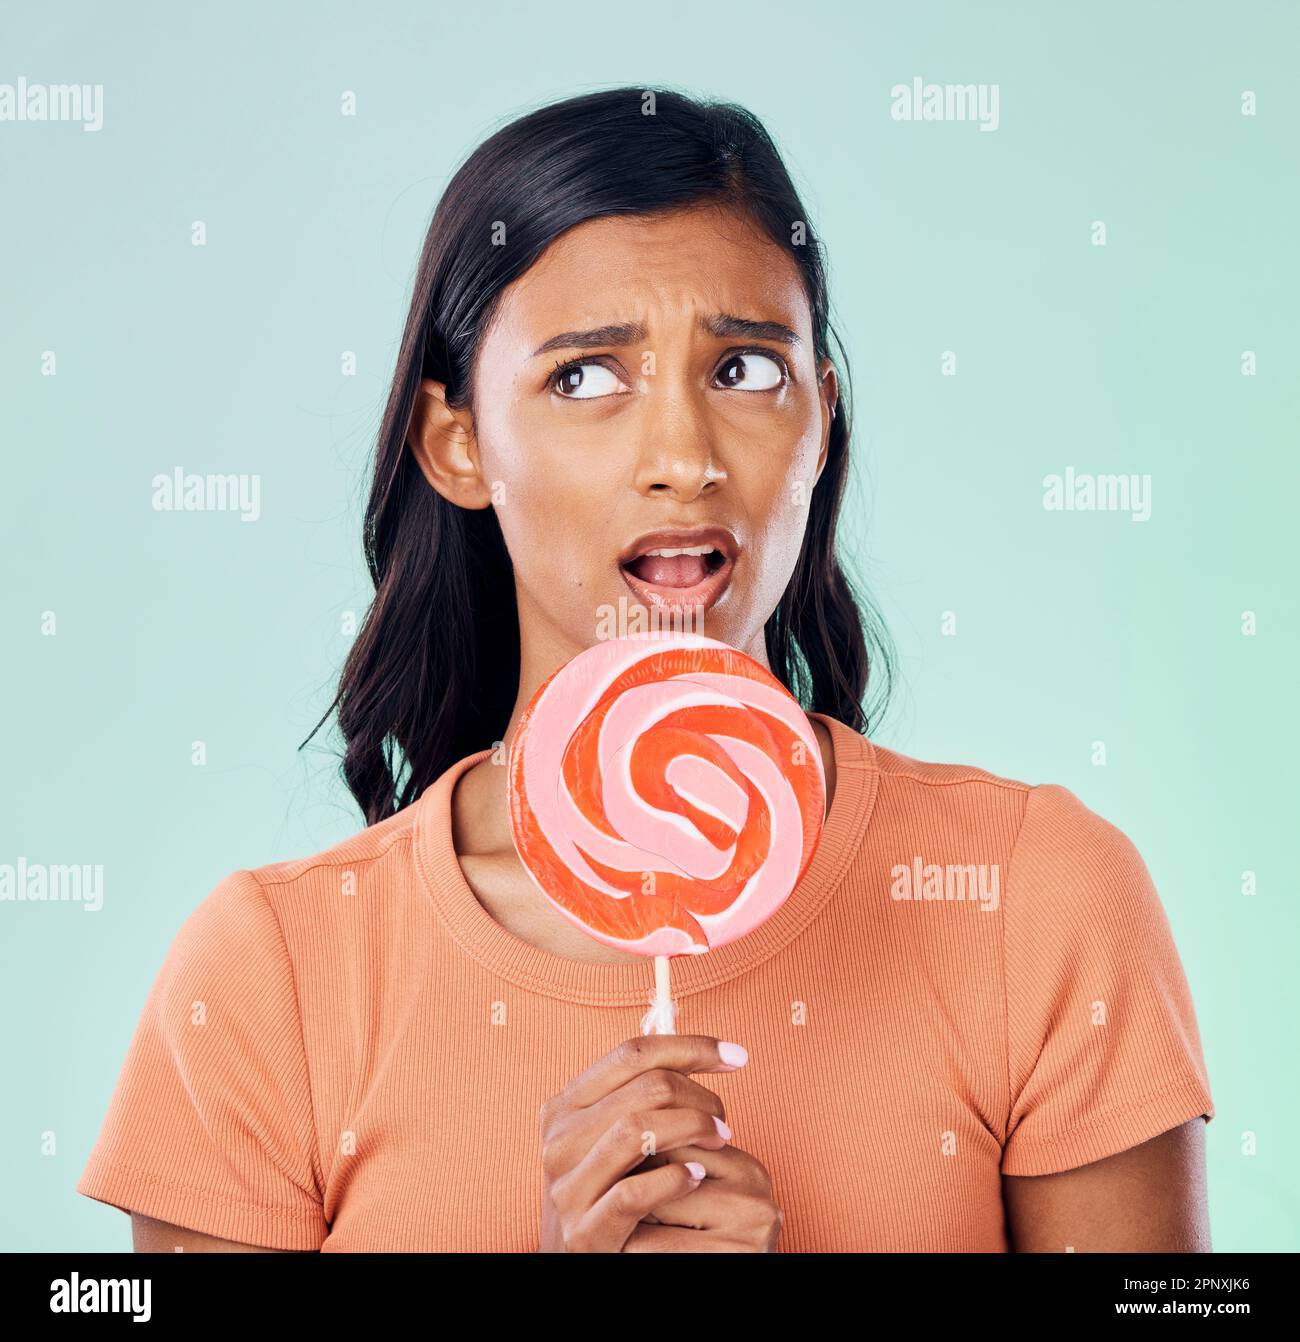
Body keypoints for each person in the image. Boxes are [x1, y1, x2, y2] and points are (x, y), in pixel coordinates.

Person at [76, 87, 1214, 1252]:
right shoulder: (273, 976)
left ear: (822, 419)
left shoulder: (1038, 899)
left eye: (744, 372)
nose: (682, 458)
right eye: (583, 377)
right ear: (458, 443)